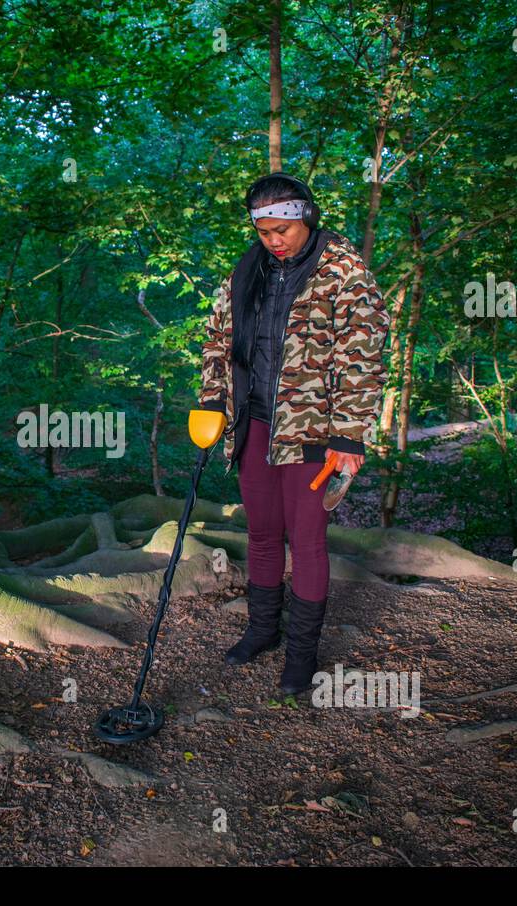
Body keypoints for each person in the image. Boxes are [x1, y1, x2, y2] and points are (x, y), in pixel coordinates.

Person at [197, 172, 390, 695]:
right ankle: (262, 631)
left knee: (305, 540)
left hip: (316, 432)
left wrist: (349, 436)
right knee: (261, 532)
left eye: (283, 227)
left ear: (305, 216)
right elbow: (218, 338)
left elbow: (365, 358)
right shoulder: (248, 271)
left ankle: (301, 657)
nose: (275, 239)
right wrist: (213, 397)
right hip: (253, 422)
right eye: (265, 231)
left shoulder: (345, 273)